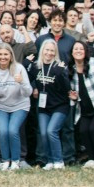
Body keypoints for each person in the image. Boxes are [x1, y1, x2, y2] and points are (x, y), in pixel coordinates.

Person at [0, 42, 33, 170]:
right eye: (0, 54)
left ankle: (16, 161)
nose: (3, 57)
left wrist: (21, 82)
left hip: (20, 105)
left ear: (11, 56)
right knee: (4, 131)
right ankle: (5, 160)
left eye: (6, 54)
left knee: (12, 130)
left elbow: (28, 92)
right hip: (0, 106)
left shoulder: (19, 68)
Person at [28, 39, 70, 169]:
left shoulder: (59, 66)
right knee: (44, 133)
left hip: (59, 105)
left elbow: (66, 88)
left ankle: (59, 161)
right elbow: (27, 79)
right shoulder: (36, 66)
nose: (49, 53)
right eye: (47, 50)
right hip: (43, 106)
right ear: (42, 51)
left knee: (52, 130)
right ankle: (50, 161)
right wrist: (34, 86)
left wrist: (61, 74)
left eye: (52, 50)